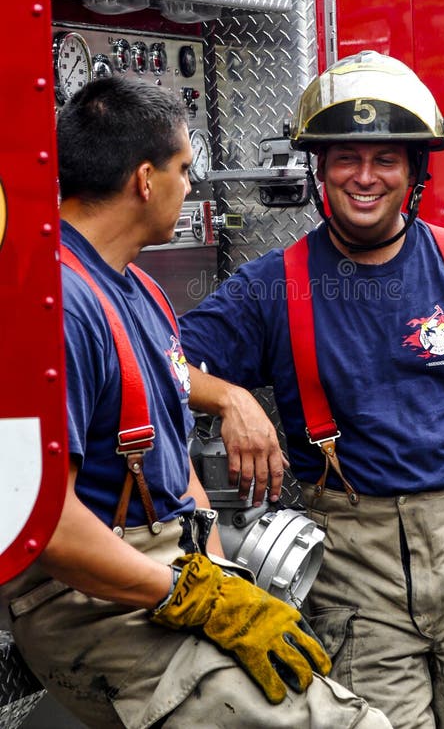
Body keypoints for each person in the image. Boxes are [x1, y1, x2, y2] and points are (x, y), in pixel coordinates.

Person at [180, 51, 444, 729]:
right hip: (356, 582)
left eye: (386, 159)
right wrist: (228, 398)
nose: (365, 177)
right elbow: (154, 362)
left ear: (415, 170)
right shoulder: (273, 286)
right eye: (346, 157)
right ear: (319, 170)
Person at [1, 77, 391, 729]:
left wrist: (217, 567)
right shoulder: (55, 307)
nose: (191, 186)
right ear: (145, 180)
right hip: (93, 600)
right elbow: (47, 529)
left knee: (311, 666)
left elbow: (167, 436)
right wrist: (202, 596)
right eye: (185, 169)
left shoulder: (140, 293)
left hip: (175, 566)